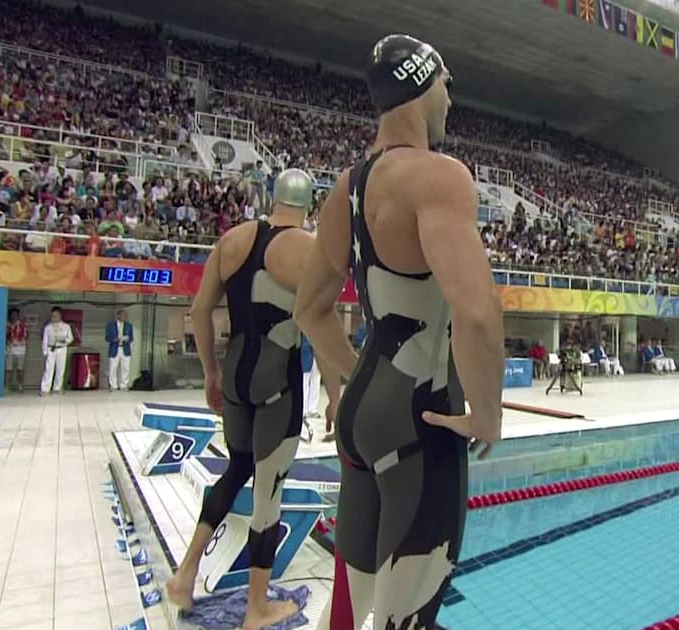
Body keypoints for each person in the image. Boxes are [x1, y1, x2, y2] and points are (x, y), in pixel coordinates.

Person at [294, 34, 505, 629]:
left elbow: (310, 309)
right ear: (421, 83)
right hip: (423, 416)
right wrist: (487, 413)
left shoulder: (347, 187)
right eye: (446, 85)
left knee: (355, 612)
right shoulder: (438, 177)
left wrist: (352, 380)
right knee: (405, 618)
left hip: (365, 413)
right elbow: (478, 312)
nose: (450, 101)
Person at [164, 168, 341, 630]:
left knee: (237, 468)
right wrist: (336, 395)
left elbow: (200, 310)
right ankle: (257, 607)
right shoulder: (306, 248)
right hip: (275, 384)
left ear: (272, 197)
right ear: (310, 205)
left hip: (237, 377)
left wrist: (210, 372)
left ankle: (184, 576)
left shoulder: (232, 240)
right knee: (269, 492)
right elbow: (321, 325)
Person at [40, 306, 73, 395]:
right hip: (51, 348)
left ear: (60, 316)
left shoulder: (66, 326)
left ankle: (57, 388)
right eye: (52, 316)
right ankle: (45, 389)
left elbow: (70, 338)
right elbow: (45, 340)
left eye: (55, 316)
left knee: (60, 369)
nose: (53, 317)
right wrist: (45, 352)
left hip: (61, 349)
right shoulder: (48, 327)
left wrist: (64, 341)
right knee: (48, 369)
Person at [105, 309, 134, 392]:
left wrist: (127, 339)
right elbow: (107, 337)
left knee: (125, 368)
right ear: (118, 316)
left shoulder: (129, 325)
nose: (124, 317)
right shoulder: (110, 325)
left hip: (125, 349)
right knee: (113, 368)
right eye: (122, 315)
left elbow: (131, 338)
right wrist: (115, 339)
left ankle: (124, 385)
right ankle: (113, 385)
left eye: (125, 315)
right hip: (115, 348)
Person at [5, 307, 28, 391]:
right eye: (12, 315)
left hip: (21, 350)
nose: (14, 317)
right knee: (8, 368)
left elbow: (25, 337)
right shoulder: (7, 325)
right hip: (10, 349)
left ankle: (20, 385)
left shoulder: (22, 325)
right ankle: (6, 386)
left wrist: (19, 342)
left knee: (20, 369)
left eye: (16, 315)